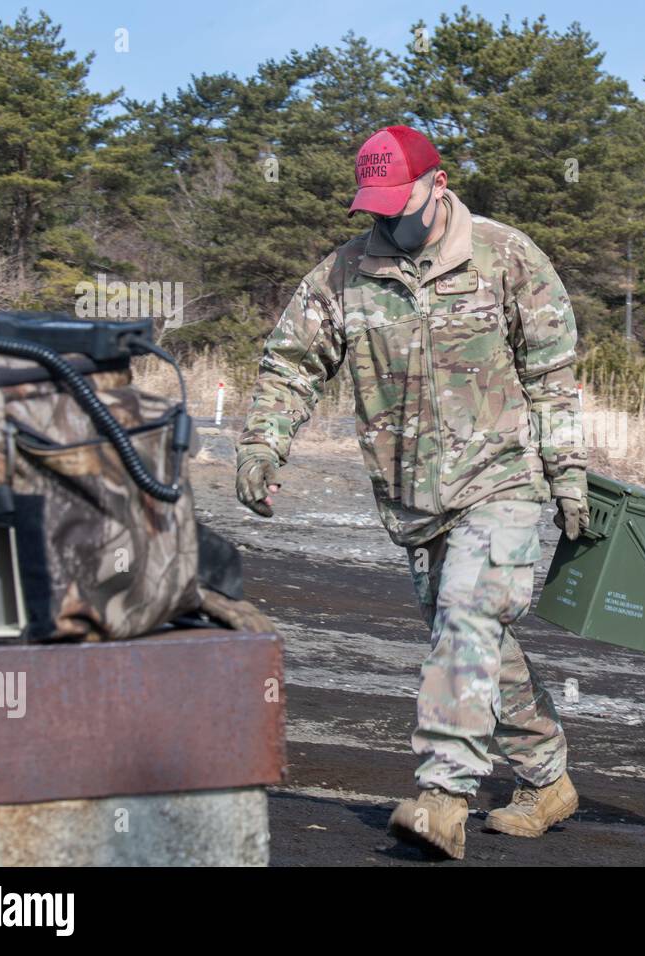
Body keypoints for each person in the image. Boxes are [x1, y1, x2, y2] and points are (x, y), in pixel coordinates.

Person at [235, 126, 587, 861]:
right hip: (411, 499)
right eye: (374, 206)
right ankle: (548, 775)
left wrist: (567, 474)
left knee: (465, 617)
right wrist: (264, 442)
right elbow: (292, 363)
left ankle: (444, 795)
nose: (386, 220)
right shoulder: (344, 274)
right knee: (476, 640)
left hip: (501, 482)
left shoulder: (506, 257)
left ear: (440, 183)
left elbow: (553, 374)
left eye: (399, 202)